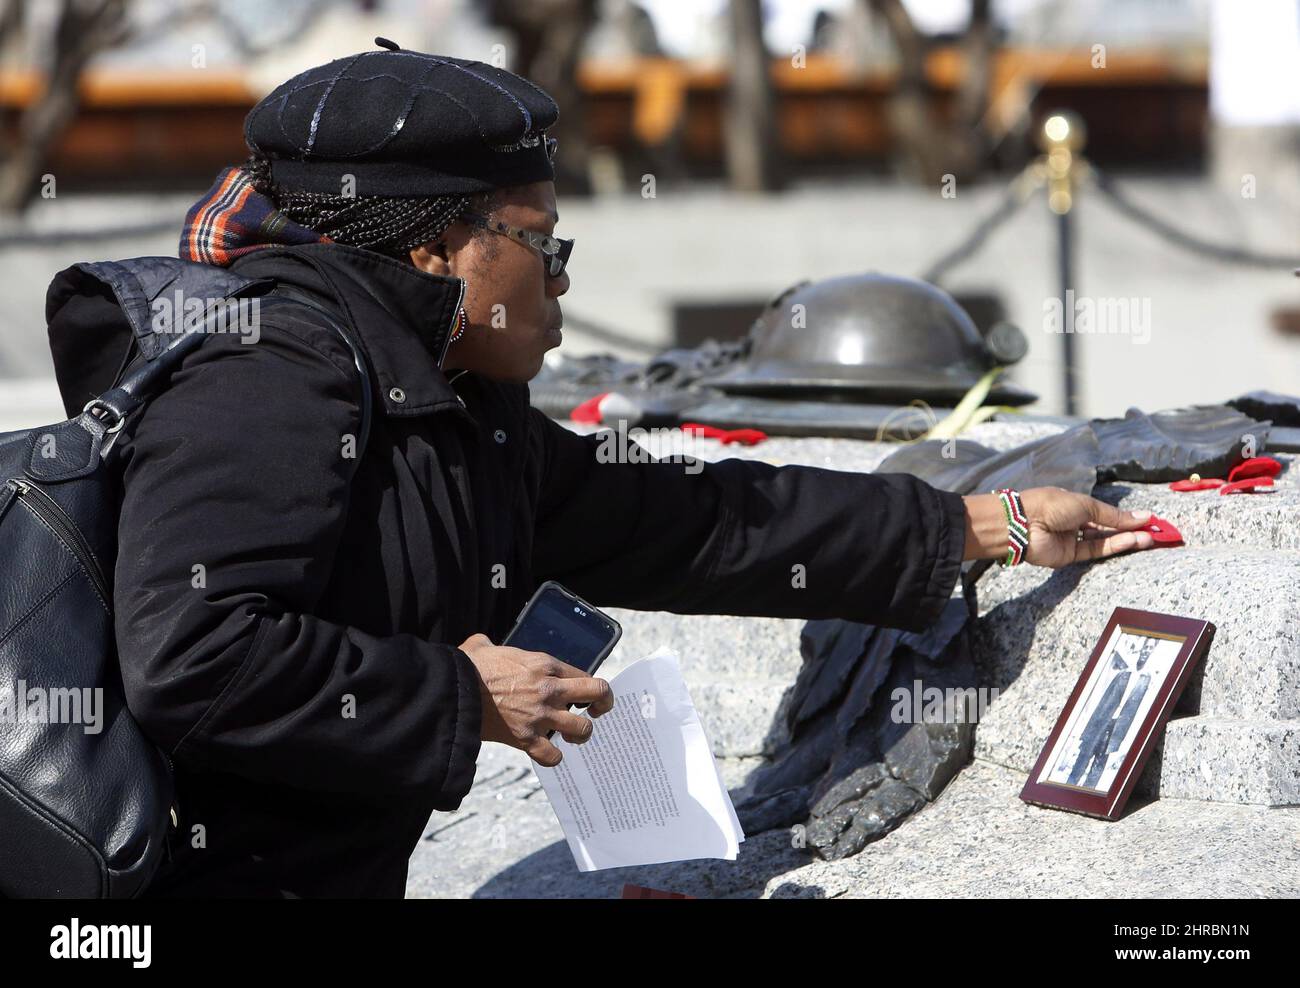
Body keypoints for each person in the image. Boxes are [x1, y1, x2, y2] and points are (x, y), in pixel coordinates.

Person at [99, 41, 1156, 897]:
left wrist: (979, 526)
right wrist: (459, 694)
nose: (559, 282)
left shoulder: (443, 400)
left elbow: (691, 521)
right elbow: (193, 650)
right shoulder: (269, 372)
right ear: (437, 249)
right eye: (543, 245)